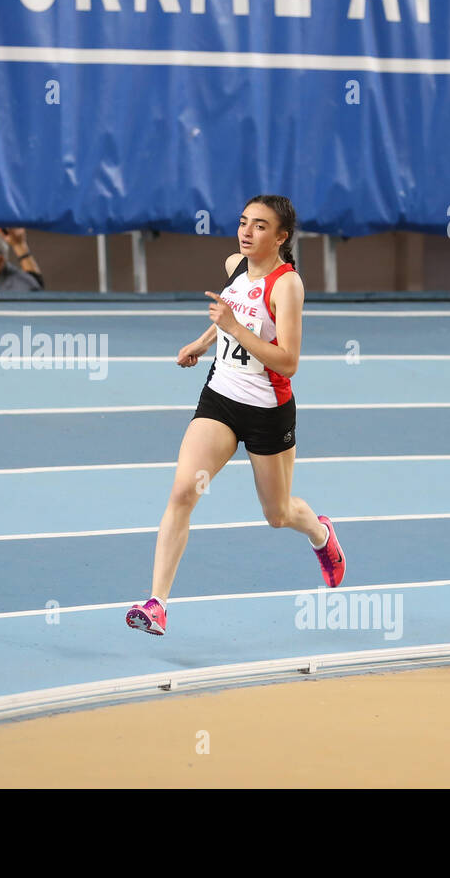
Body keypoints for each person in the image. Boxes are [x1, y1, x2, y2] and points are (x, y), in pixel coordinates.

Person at [126, 195, 346, 637]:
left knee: (278, 514)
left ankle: (321, 534)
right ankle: (157, 603)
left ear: (281, 237)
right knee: (184, 490)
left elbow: (288, 361)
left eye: (260, 226)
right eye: (244, 222)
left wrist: (231, 329)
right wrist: (204, 340)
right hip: (221, 398)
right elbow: (231, 307)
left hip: (268, 411)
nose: (247, 232)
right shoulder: (236, 264)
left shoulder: (287, 286)